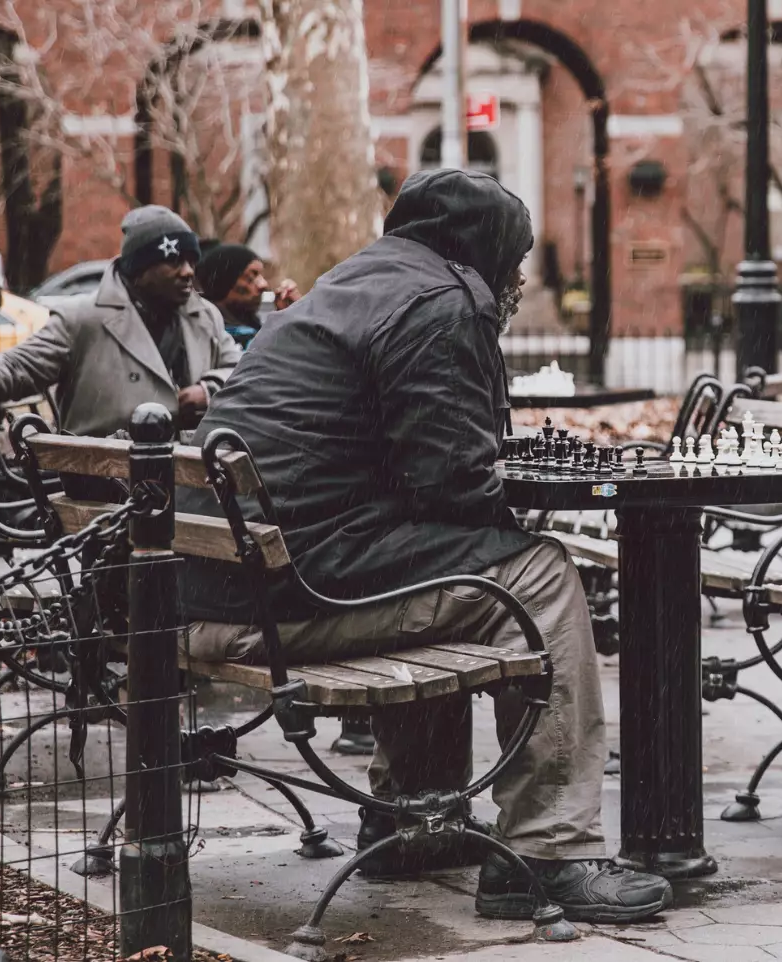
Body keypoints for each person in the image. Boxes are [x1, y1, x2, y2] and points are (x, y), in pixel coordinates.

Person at [177, 169, 673, 924]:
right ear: (482, 247)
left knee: (456, 562)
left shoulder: (344, 285)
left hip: (215, 585)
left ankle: (416, 818)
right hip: (282, 601)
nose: (520, 274)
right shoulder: (442, 301)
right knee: (537, 576)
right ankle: (548, 854)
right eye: (517, 255)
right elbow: (454, 481)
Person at [0, 205, 241, 438]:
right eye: (174, 260)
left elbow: (242, 374)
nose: (188, 272)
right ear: (139, 269)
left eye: (191, 261)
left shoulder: (205, 316)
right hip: (103, 478)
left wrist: (208, 390)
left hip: (191, 476)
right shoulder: (82, 317)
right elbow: (17, 367)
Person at [195, 243, 301, 346]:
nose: (263, 284)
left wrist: (288, 314)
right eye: (251, 276)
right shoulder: (206, 334)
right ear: (225, 282)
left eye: (261, 276)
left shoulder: (255, 329)